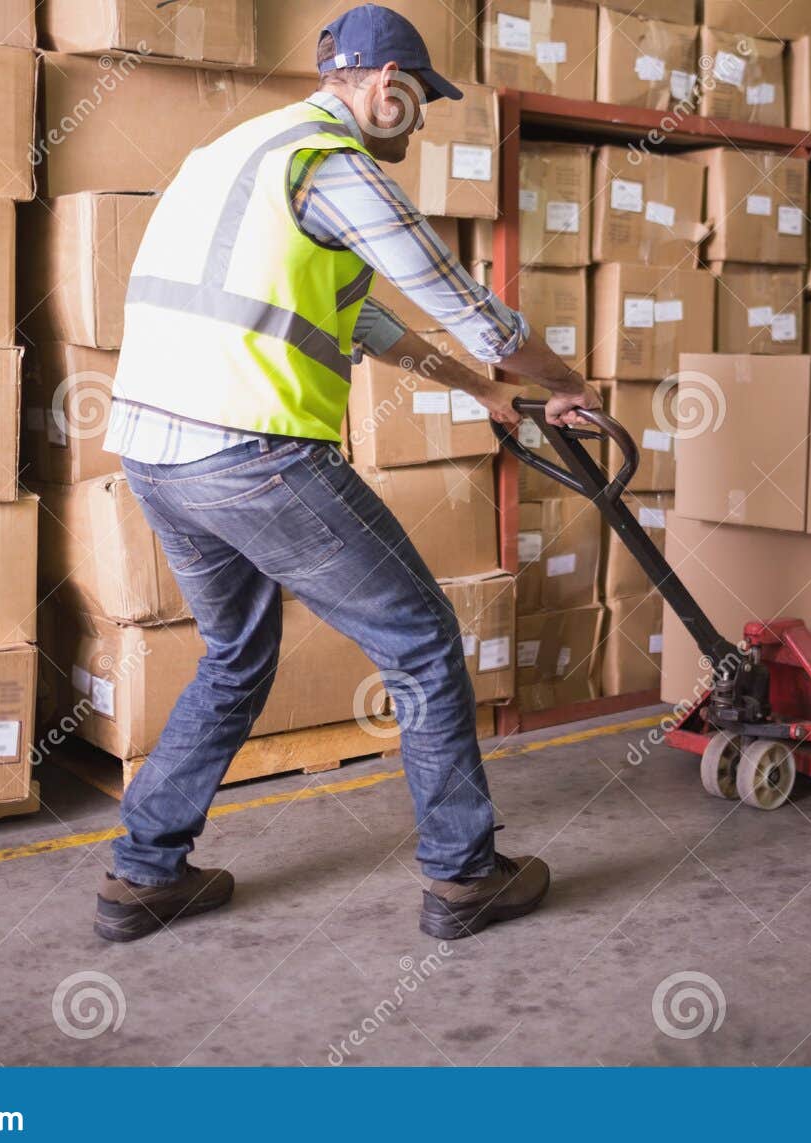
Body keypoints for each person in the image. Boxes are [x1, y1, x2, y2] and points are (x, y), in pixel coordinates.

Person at [92, 4, 596, 942]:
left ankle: (143, 873)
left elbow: (364, 322)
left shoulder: (236, 155)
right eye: (419, 99)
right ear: (382, 86)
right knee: (422, 639)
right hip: (253, 453)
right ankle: (463, 874)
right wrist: (564, 380)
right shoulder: (333, 164)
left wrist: (488, 393)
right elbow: (462, 300)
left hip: (156, 456)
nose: (422, 118)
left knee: (237, 652)